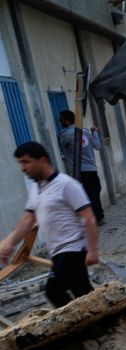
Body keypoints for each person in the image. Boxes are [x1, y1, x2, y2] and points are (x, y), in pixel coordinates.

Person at [0, 142, 99, 307]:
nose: (23, 168)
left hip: (71, 248)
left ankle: (76, 322)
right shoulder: (36, 188)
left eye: (26, 162)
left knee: (53, 291)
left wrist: (93, 249)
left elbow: (89, 217)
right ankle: (108, 319)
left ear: (43, 160)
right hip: (57, 251)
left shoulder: (66, 184)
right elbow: (28, 219)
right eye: (20, 163)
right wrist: (11, 244)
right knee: (82, 292)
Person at [57, 110, 105, 225]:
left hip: (78, 171)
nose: (60, 122)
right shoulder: (86, 132)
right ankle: (99, 217)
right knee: (94, 193)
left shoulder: (65, 134)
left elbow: (61, 144)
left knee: (83, 196)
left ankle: (89, 219)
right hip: (92, 169)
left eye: (61, 119)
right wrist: (94, 132)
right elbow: (98, 146)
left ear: (66, 120)